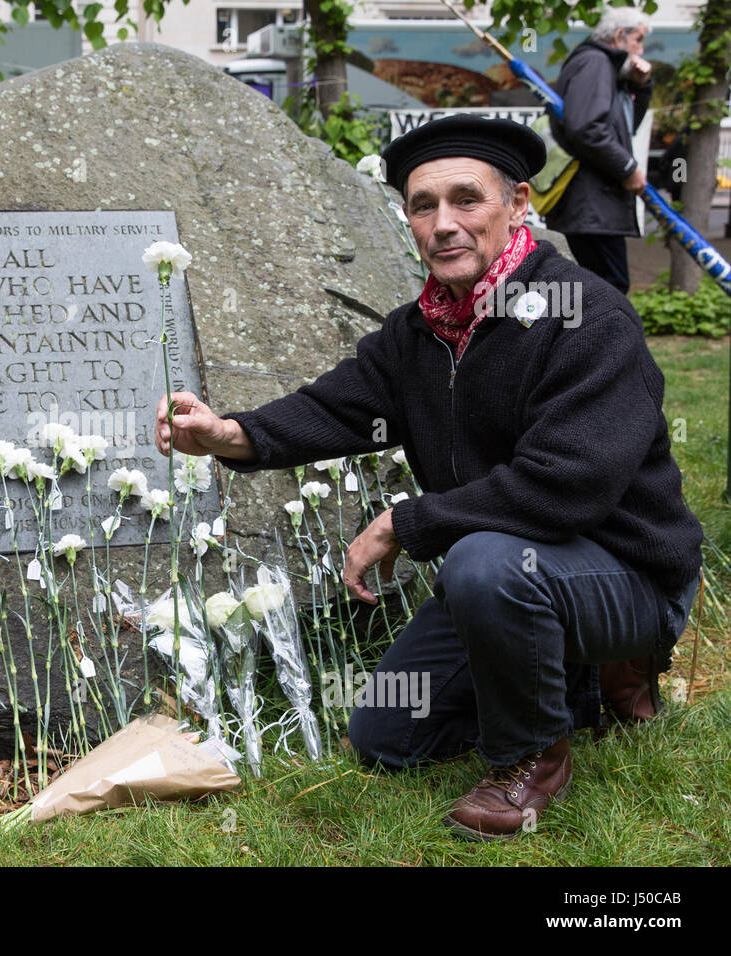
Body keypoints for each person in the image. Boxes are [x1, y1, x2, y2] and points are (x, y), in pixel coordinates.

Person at [155, 115, 703, 840]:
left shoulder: (587, 317)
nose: (443, 224)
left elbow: (566, 485)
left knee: (480, 559)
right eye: (423, 205)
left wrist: (401, 522)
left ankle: (531, 757)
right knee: (388, 733)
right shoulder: (419, 332)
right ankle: (572, 679)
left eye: (465, 199)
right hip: (514, 575)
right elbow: (334, 406)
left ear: (520, 204)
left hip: (626, 576)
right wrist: (228, 433)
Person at [545, 7, 653, 293]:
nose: (641, 50)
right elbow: (586, 129)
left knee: (598, 288)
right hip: (590, 206)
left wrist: (641, 87)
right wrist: (627, 168)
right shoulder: (595, 63)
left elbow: (625, 130)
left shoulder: (607, 69)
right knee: (609, 288)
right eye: (638, 40)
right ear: (619, 35)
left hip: (594, 207)